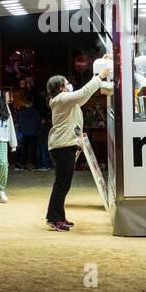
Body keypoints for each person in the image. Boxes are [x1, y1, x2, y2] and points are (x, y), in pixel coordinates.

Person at [44, 69, 111, 231]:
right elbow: (83, 93)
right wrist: (99, 76)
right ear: (61, 87)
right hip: (62, 147)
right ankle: (53, 218)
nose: (69, 85)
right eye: (66, 83)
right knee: (61, 185)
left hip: (64, 146)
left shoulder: (65, 100)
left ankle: (59, 216)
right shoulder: (61, 99)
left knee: (63, 184)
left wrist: (97, 81)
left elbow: (84, 96)